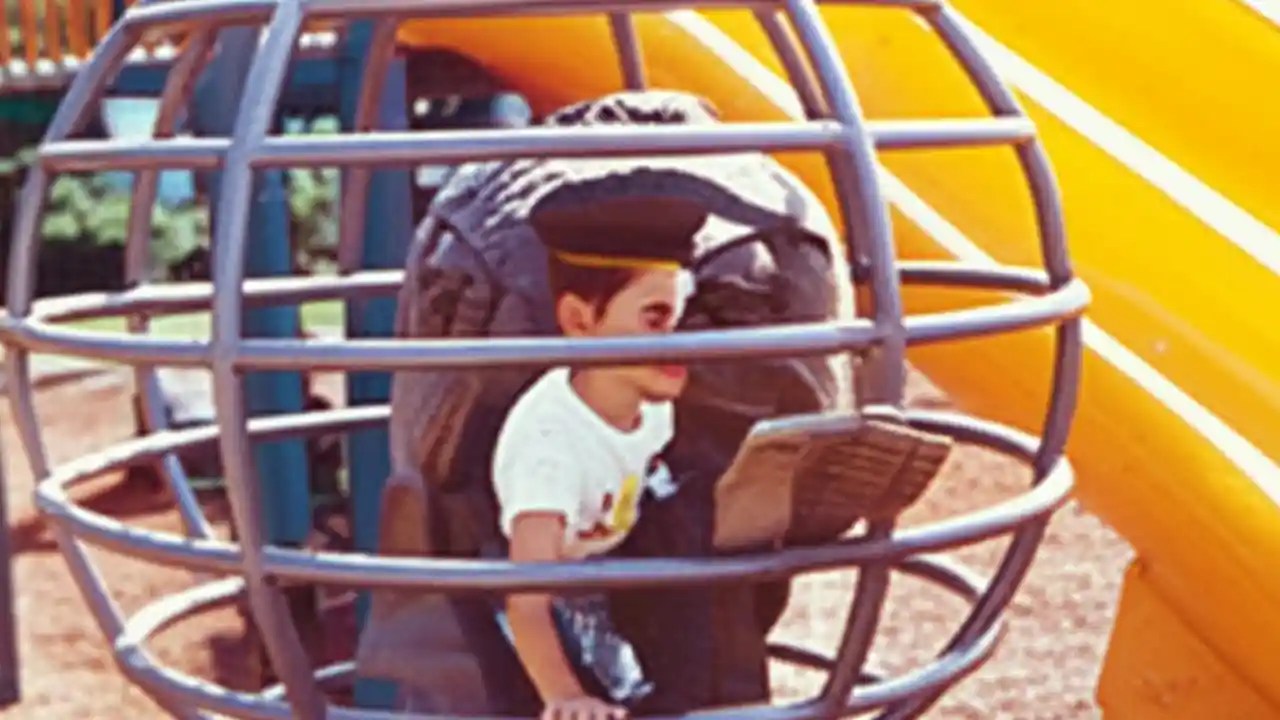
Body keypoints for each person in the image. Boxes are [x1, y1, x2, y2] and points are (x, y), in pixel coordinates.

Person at [490, 187, 706, 720]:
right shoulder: (551, 450)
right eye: (655, 319)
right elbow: (524, 599)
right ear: (581, 321)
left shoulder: (651, 401)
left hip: (610, 568)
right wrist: (563, 695)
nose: (680, 342)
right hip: (553, 600)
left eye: (681, 318)